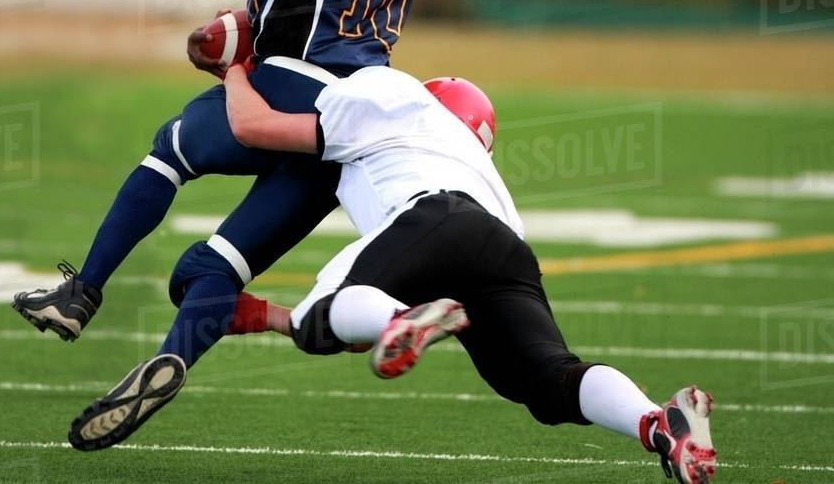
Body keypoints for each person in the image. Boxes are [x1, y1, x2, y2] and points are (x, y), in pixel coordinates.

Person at [7, 0, 430, 450]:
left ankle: (81, 292)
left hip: (294, 84)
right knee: (215, 268)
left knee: (170, 151)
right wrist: (260, 25)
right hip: (354, 124)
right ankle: (174, 356)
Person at [212, 63, 717, 484]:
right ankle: (654, 421)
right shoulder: (482, 168)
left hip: (428, 217)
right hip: (503, 246)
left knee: (318, 315)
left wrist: (233, 70)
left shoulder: (398, 109)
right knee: (548, 379)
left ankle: (397, 317)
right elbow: (357, 334)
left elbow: (253, 127)